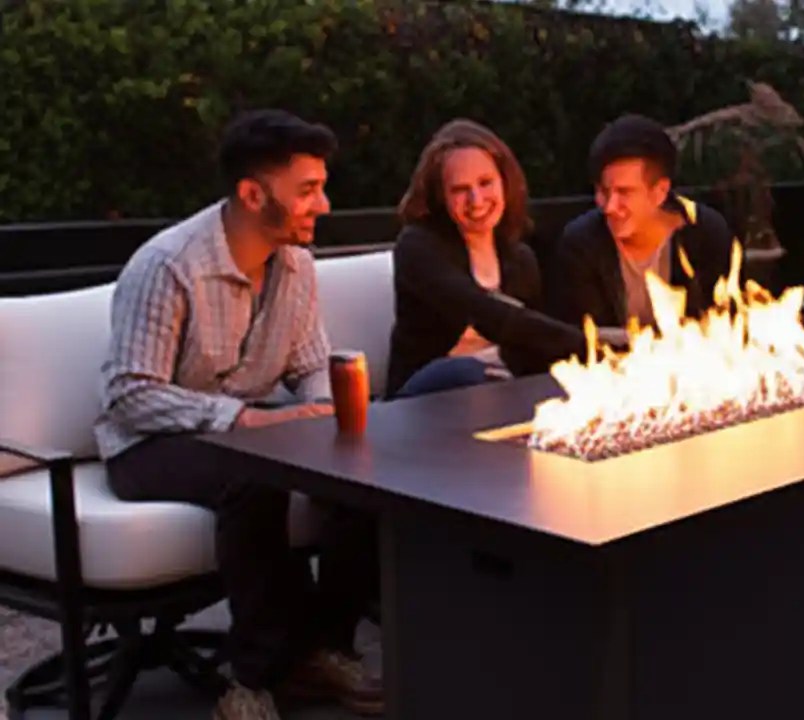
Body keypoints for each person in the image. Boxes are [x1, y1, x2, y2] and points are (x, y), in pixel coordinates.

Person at [96, 110, 382, 719]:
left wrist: (327, 412)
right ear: (253, 194)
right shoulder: (168, 265)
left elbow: (307, 364)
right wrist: (243, 419)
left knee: (364, 461)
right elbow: (129, 394)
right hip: (148, 443)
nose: (324, 205)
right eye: (307, 190)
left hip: (248, 431)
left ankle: (324, 651)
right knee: (253, 474)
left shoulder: (296, 264)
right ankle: (250, 681)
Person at [386, 119, 589, 398]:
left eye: (485, 183)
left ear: (505, 182)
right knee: (468, 372)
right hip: (425, 393)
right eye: (459, 189)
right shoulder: (418, 246)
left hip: (504, 389)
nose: (476, 199)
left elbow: (533, 343)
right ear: (441, 197)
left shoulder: (520, 258)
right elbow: (482, 311)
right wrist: (589, 341)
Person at [553, 114, 736, 341]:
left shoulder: (704, 232)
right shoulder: (582, 242)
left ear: (659, 192)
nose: (609, 206)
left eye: (624, 192)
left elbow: (723, 320)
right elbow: (581, 333)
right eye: (603, 191)